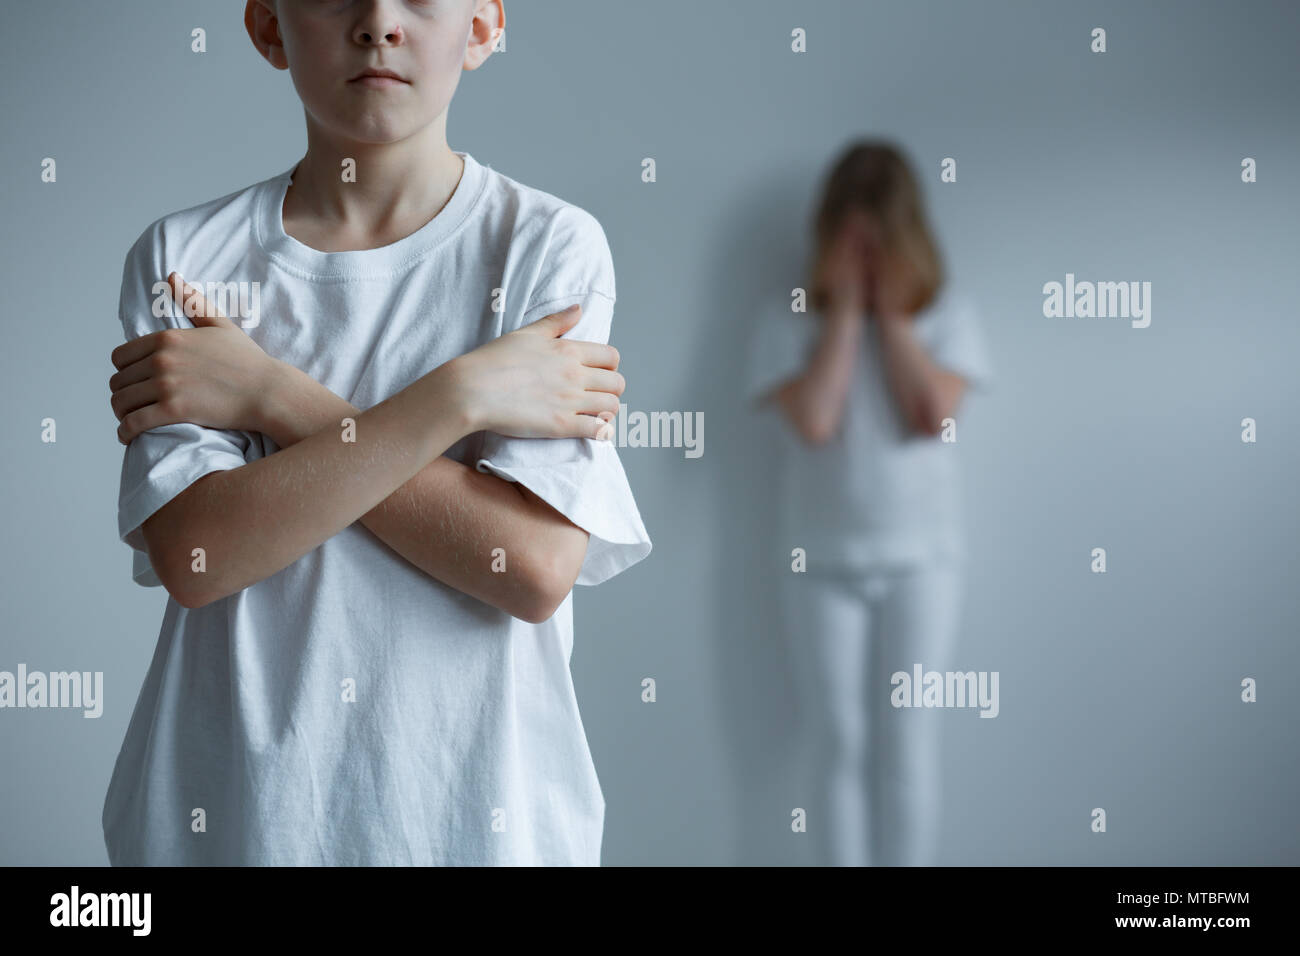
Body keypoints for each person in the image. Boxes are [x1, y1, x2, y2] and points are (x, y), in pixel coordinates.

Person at [102, 0, 651, 866]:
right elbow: (199, 556)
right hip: (233, 819)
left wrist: (270, 395)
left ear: (480, 27)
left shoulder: (547, 248)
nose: (379, 22)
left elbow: (534, 567)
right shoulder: (186, 258)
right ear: (269, 27)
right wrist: (462, 397)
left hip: (478, 823)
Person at [746, 140, 995, 866]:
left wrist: (893, 316)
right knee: (840, 741)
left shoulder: (948, 315)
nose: (864, 256)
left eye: (877, 243)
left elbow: (933, 416)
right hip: (820, 562)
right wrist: (847, 313)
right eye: (850, 243)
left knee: (909, 740)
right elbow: (817, 422)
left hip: (925, 561)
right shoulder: (788, 318)